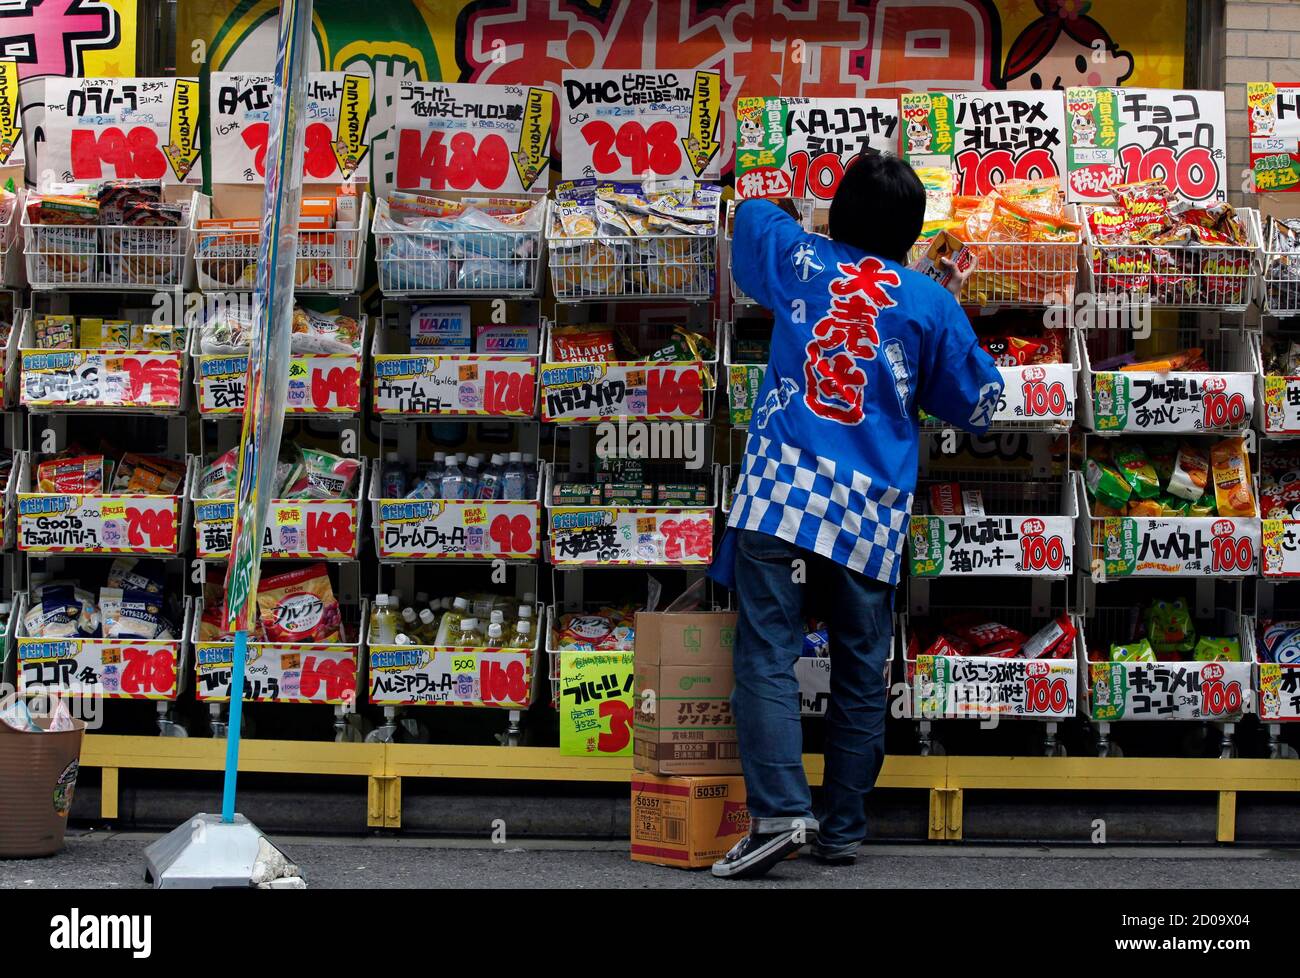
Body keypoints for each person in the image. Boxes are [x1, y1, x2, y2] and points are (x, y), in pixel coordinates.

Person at [709, 154, 1003, 879]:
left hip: (780, 492)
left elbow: (749, 217)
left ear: (837, 215)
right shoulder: (928, 302)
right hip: (870, 510)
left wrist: (797, 206)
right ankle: (840, 829)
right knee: (860, 669)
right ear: (910, 231)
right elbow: (979, 403)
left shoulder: (803, 258)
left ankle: (779, 814)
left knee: (768, 651)